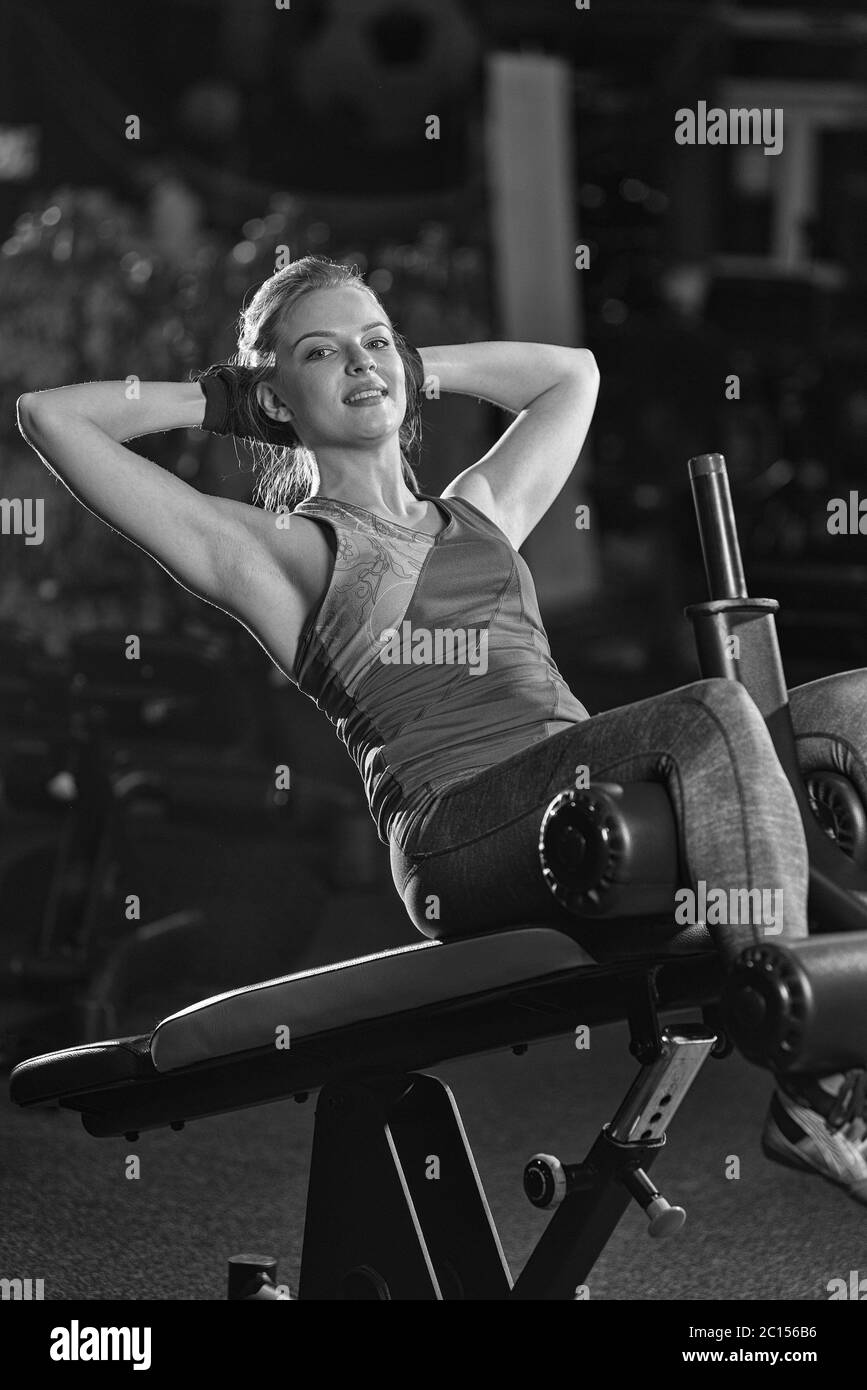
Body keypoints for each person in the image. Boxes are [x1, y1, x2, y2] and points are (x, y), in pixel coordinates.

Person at [16, 255, 867, 1204]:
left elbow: (572, 374)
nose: (361, 363)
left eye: (377, 341)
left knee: (855, 707)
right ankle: (811, 1085)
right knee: (710, 712)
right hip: (459, 833)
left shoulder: (480, 511)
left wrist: (413, 363)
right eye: (321, 353)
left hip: (589, 798)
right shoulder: (280, 553)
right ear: (275, 399)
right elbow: (52, 417)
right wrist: (226, 399)